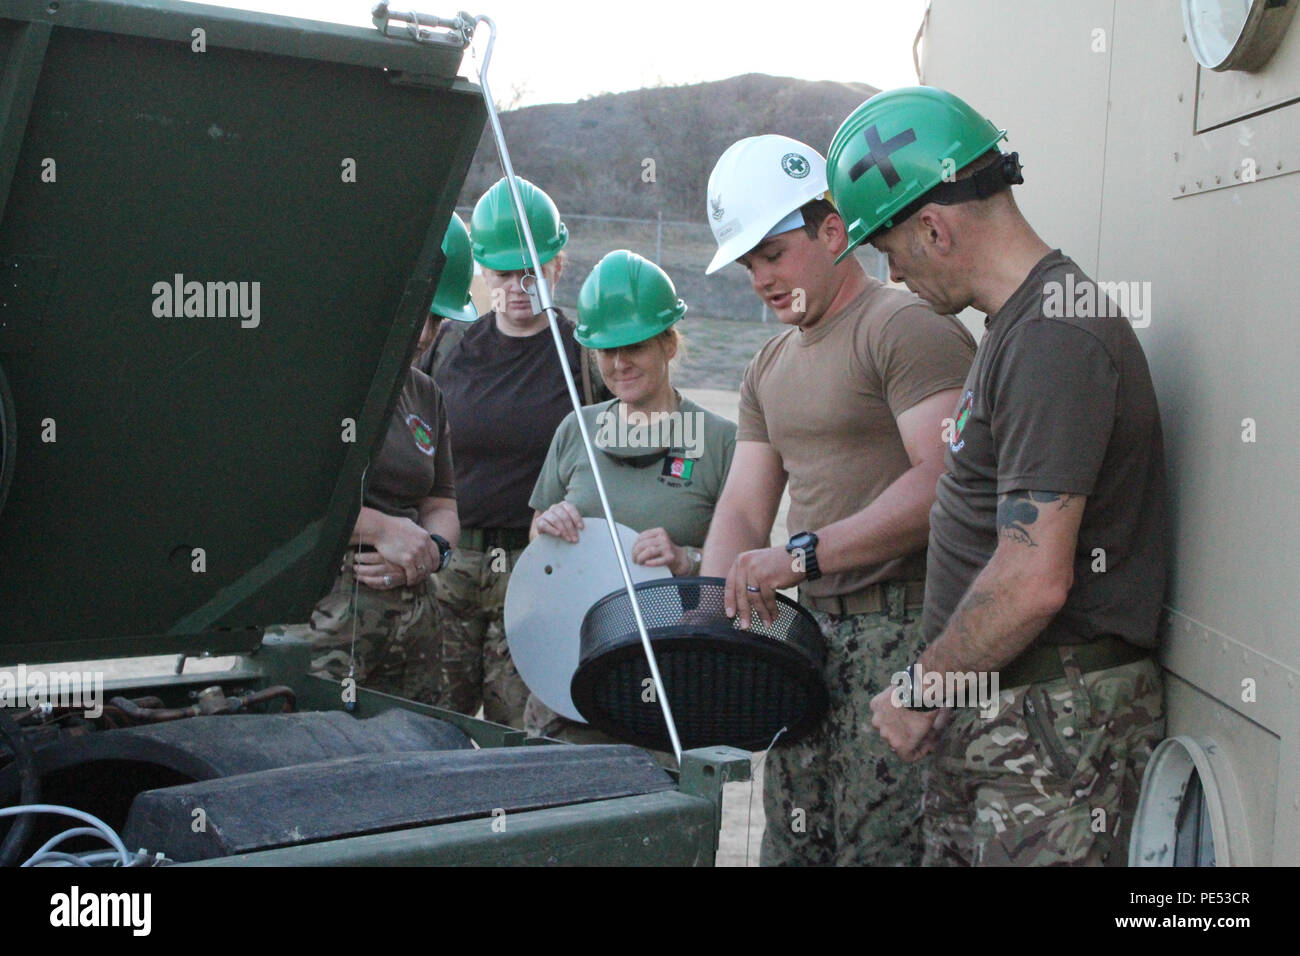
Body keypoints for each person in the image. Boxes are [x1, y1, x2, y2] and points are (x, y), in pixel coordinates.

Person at [826, 87, 1167, 866]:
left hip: (1052, 731)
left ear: (935, 227)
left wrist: (922, 691)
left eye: (890, 248)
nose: (895, 272)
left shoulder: (1053, 334)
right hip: (1014, 716)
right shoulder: (1022, 326)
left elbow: (1032, 578)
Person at [698, 134, 976, 866]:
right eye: (748, 263)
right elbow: (741, 512)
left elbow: (946, 480)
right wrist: (710, 626)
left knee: (882, 851)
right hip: (808, 643)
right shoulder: (769, 365)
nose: (761, 278)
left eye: (774, 253)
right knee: (794, 846)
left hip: (903, 633)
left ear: (832, 230)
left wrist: (802, 556)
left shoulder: (906, 328)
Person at [417, 177, 611, 728]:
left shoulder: (586, 360)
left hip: (538, 573)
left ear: (557, 265)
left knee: (514, 739)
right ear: (481, 270)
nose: (518, 285)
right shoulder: (450, 349)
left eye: (532, 270)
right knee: (428, 731)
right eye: (503, 272)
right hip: (447, 570)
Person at [525, 249, 737, 743]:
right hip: (567, 671)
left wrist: (688, 560)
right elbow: (535, 536)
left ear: (668, 343)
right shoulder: (576, 429)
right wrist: (547, 525)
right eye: (605, 351)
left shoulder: (719, 439)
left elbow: (745, 567)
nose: (618, 365)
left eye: (634, 346)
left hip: (668, 678)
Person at [270, 213, 476, 703]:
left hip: (413, 623)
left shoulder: (425, 394)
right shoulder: (314, 379)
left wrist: (431, 552)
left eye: (438, 320)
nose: (425, 334)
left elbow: (442, 499)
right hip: (321, 617)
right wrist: (381, 529)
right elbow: (280, 495)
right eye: (418, 313)